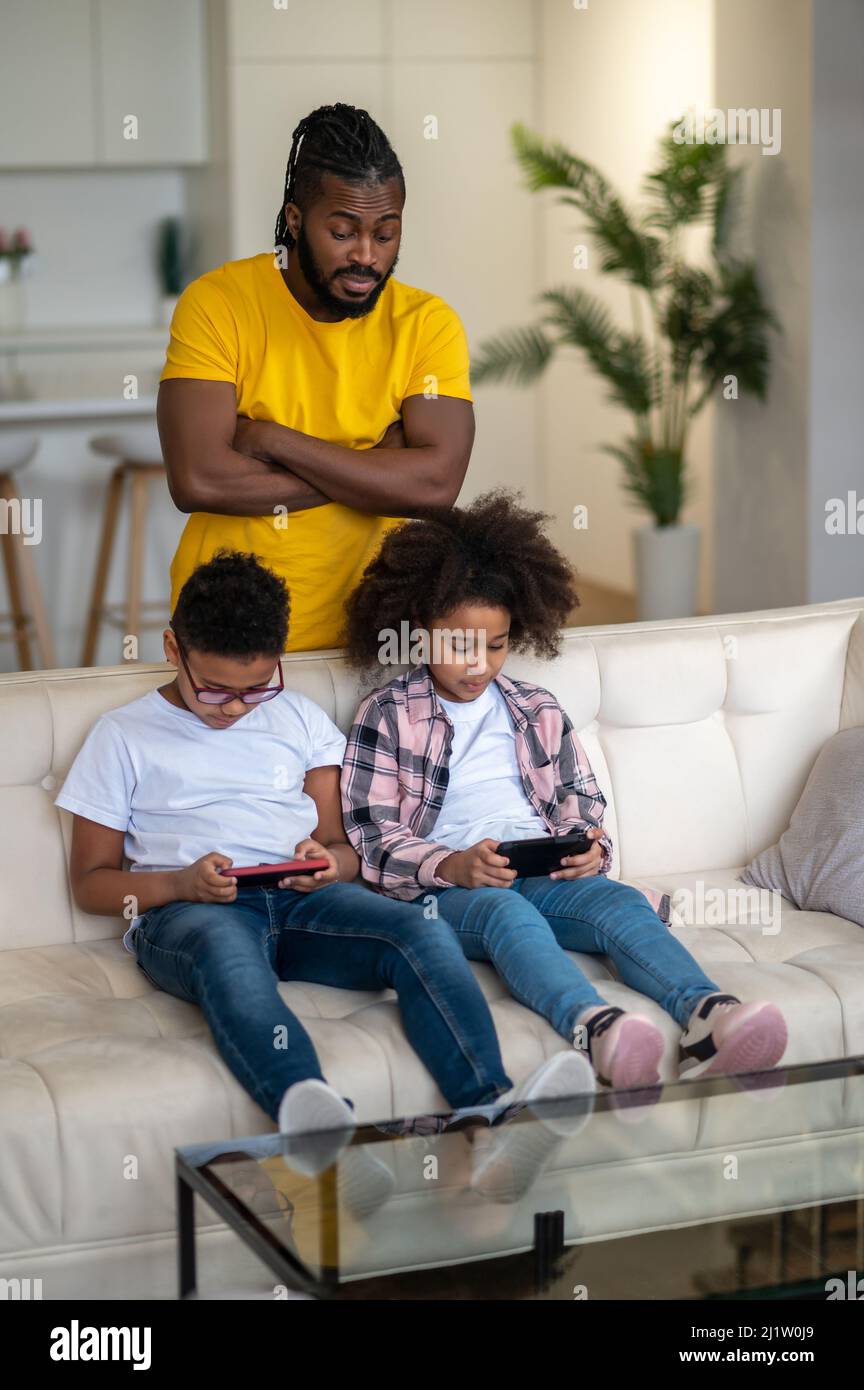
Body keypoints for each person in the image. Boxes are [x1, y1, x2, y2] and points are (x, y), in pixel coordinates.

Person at [53, 548, 592, 1193]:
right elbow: (91, 884)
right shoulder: (122, 736)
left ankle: (487, 1117)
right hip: (188, 911)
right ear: (173, 649)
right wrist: (178, 884)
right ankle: (320, 1127)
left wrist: (325, 863)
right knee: (229, 955)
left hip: (299, 901)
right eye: (216, 689)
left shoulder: (298, 717)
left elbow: (341, 846)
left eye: (257, 687)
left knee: (418, 933)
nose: (235, 708)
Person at [340, 490, 789, 1093]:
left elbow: (581, 802)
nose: (477, 666)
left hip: (542, 868)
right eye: (458, 647)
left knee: (619, 903)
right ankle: (596, 1027)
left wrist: (588, 849)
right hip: (449, 890)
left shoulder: (537, 708)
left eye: (495, 646)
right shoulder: (388, 712)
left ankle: (708, 1016)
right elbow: (372, 837)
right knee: (507, 911)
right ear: (418, 634)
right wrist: (454, 863)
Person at [158, 102, 476, 653]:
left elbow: (434, 487)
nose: (366, 257)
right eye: (343, 231)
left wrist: (271, 440)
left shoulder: (428, 325)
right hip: (234, 644)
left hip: (376, 640)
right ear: (295, 218)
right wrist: (375, 468)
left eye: (385, 233)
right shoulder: (218, 304)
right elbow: (199, 480)